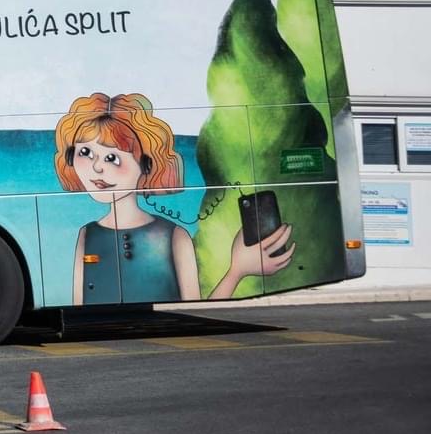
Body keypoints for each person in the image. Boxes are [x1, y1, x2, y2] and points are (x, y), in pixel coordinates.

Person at [55, 92, 295, 304]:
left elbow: (196, 310)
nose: (96, 168)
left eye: (112, 158)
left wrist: (238, 270)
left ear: (147, 165)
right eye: (85, 152)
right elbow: (79, 306)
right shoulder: (87, 234)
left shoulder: (174, 236)